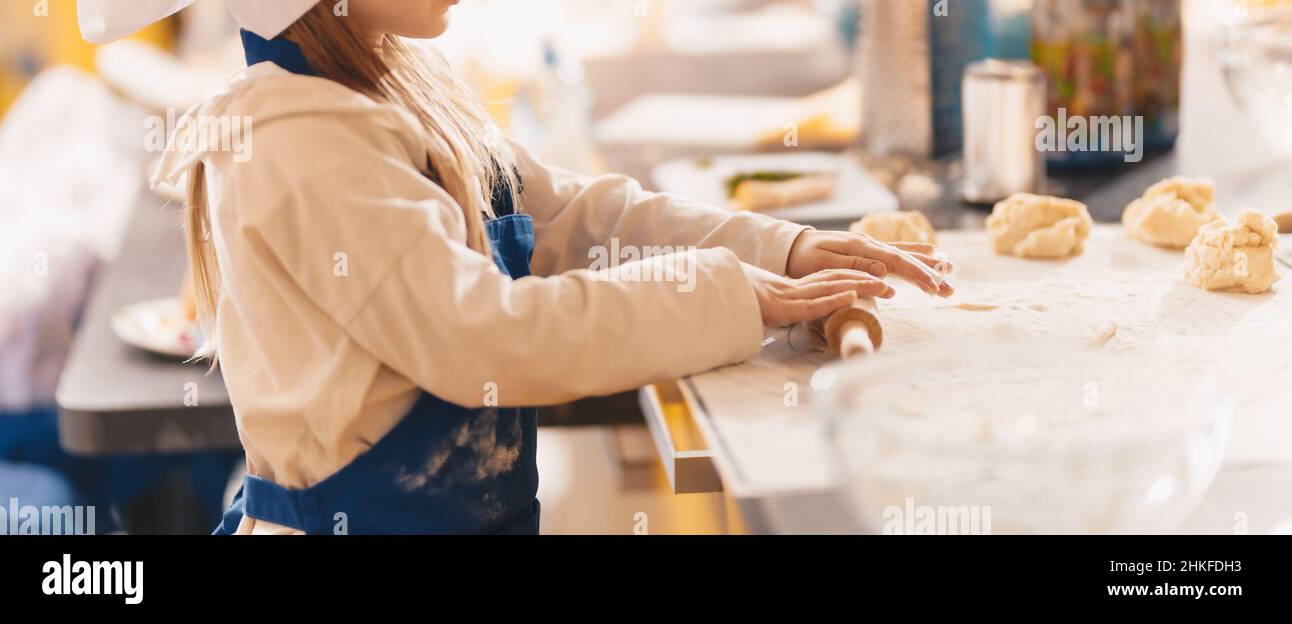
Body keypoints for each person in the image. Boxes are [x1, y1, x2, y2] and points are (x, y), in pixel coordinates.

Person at [79, 0, 953, 535]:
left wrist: (777, 249)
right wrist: (729, 296)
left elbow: (571, 216)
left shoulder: (397, 77)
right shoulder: (298, 141)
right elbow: (486, 342)